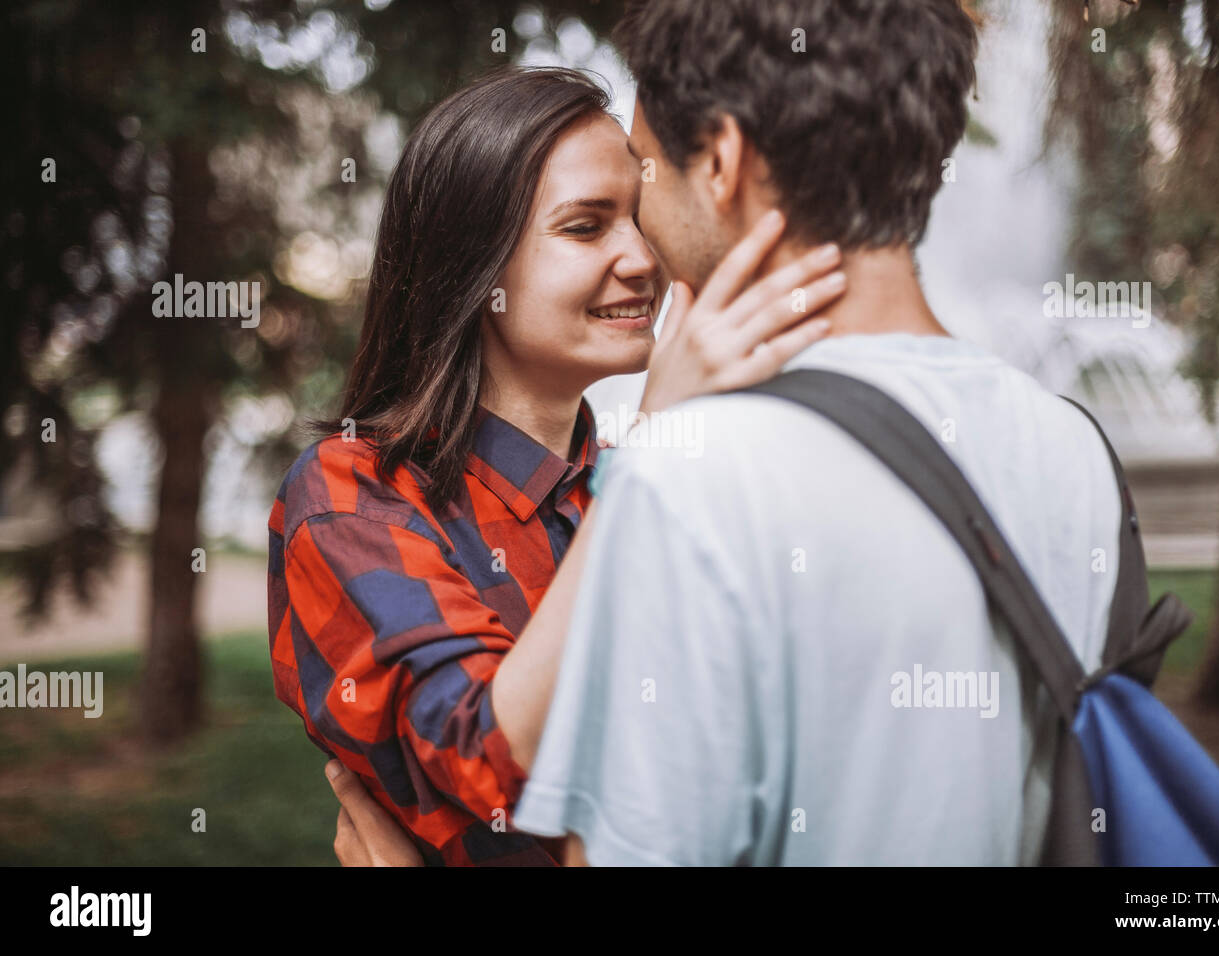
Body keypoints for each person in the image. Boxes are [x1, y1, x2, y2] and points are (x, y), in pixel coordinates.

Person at [330, 0, 1124, 866]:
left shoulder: (684, 482)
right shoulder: (1074, 447)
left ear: (723, 163)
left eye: (646, 176)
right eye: (589, 223)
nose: (642, 254)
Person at [269, 66, 844, 865]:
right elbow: (493, 761)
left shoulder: (631, 484)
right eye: (586, 227)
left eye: (641, 219)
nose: (643, 259)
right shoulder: (350, 496)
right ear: (472, 266)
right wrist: (652, 452)